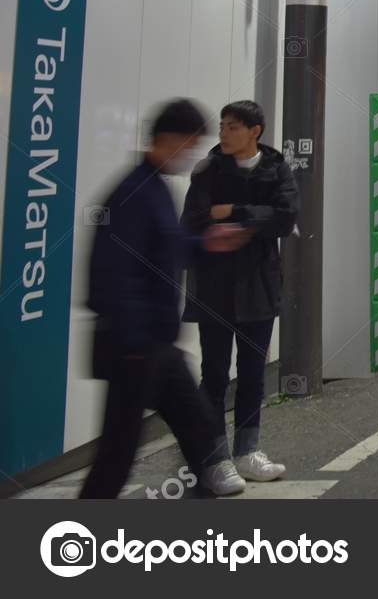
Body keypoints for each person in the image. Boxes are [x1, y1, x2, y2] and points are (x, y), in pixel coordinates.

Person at [81, 100, 252, 499]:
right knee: (117, 453)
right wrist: (136, 343)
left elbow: (166, 250)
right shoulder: (132, 193)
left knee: (200, 428)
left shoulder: (154, 187)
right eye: (189, 145)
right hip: (134, 347)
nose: (190, 154)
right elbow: (109, 275)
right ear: (169, 139)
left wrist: (207, 243)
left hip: (156, 347)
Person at [180, 100, 300, 484]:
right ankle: (214, 460)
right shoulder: (207, 170)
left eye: (233, 127)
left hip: (259, 287)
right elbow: (193, 221)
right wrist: (251, 217)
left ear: (255, 131)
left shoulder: (277, 168)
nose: (224, 133)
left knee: (252, 373)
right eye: (222, 126)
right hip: (214, 286)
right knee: (214, 373)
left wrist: (231, 210)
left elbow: (285, 218)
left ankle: (247, 452)